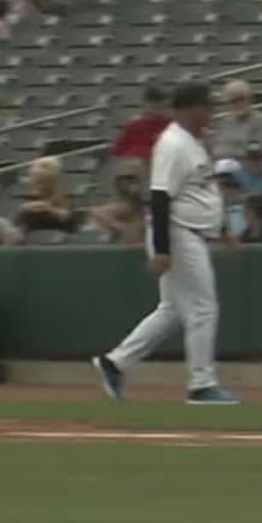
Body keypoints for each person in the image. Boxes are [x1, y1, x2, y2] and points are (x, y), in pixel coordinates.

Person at [92, 83, 240, 406]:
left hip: (190, 231)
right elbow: (159, 196)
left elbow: (206, 191)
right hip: (178, 231)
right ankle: (202, 384)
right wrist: (161, 248)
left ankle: (115, 362)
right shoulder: (173, 143)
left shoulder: (194, 141)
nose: (211, 111)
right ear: (187, 109)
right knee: (203, 307)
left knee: (172, 310)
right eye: (206, 106)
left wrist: (225, 227)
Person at [111, 84, 172, 163]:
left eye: (161, 107)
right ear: (145, 106)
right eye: (154, 107)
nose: (157, 111)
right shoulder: (134, 125)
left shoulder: (170, 124)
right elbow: (117, 149)